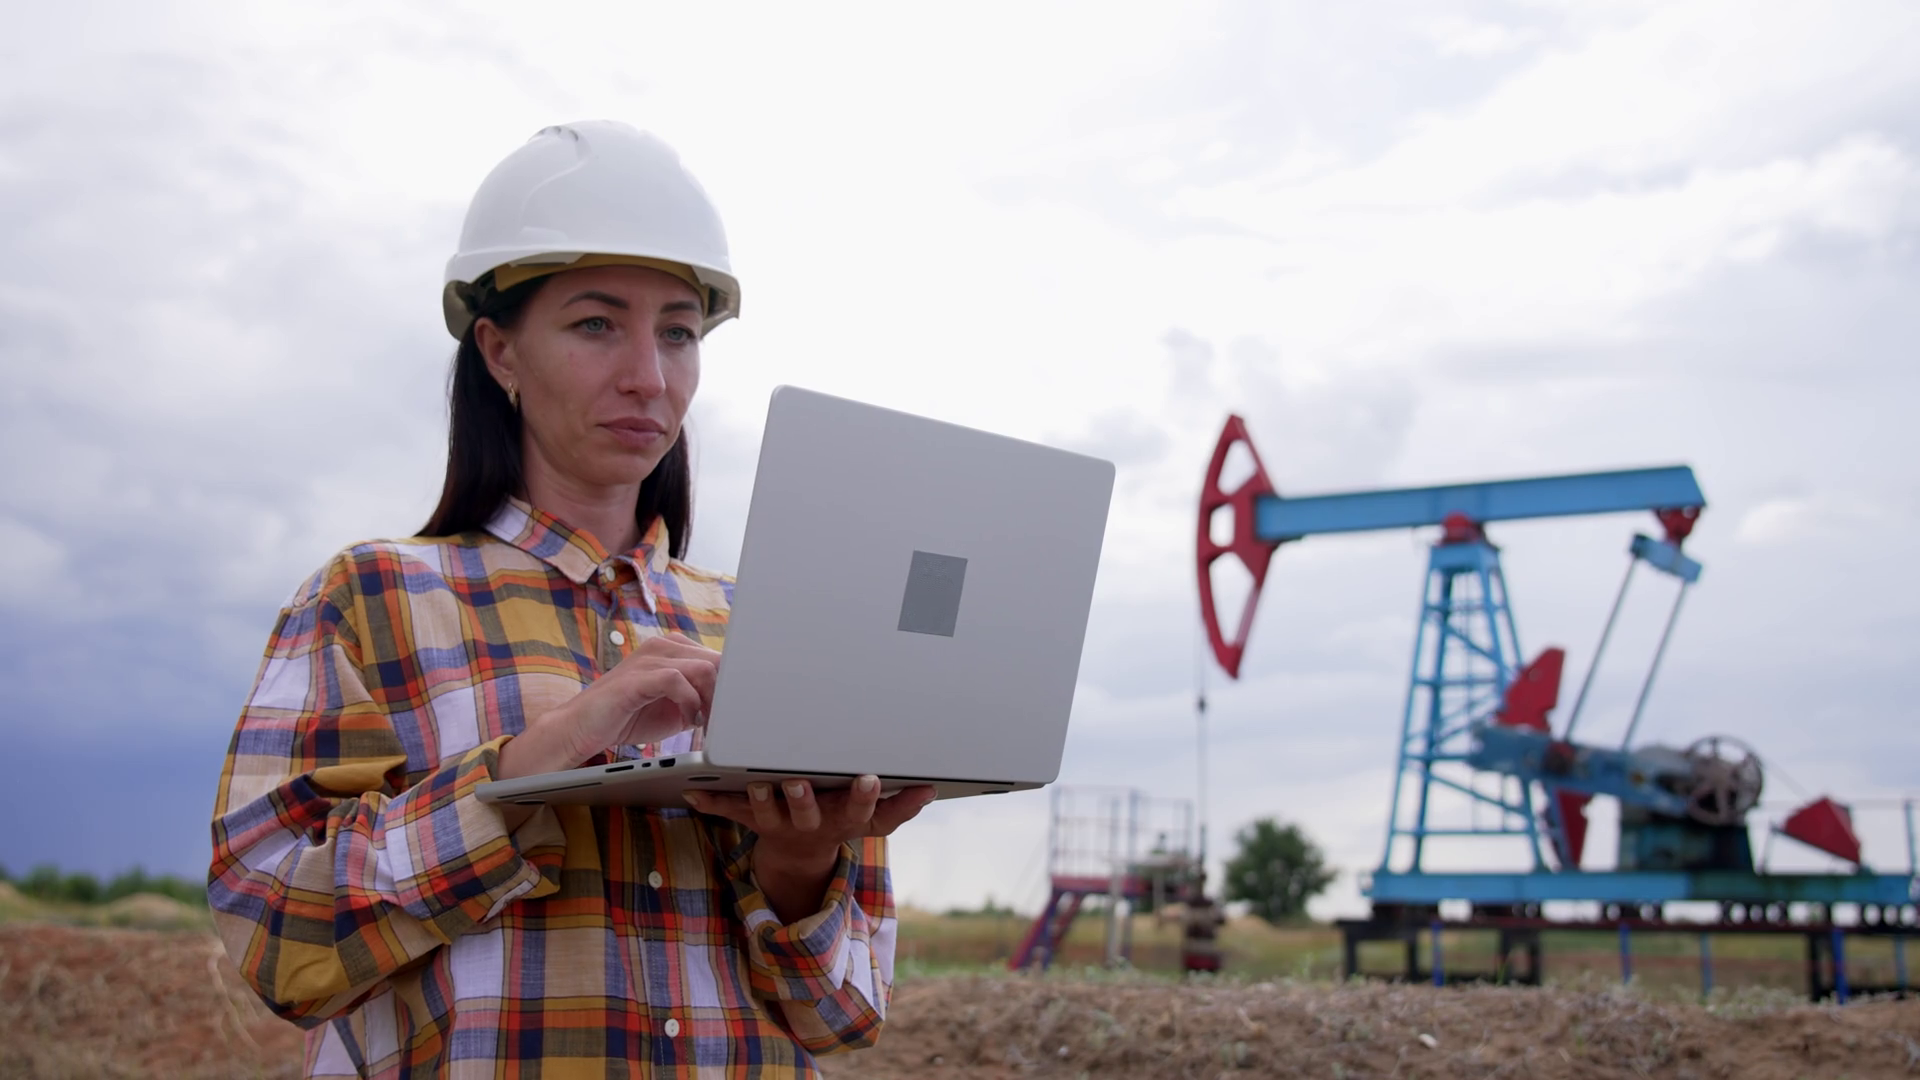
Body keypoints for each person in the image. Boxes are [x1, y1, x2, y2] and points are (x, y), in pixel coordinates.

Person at [207, 120, 936, 1079]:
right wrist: (532, 763)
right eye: (597, 324)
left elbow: (844, 1018)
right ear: (501, 351)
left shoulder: (771, 624)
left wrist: (801, 867)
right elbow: (275, 937)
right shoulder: (371, 598)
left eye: (678, 330)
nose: (649, 374)